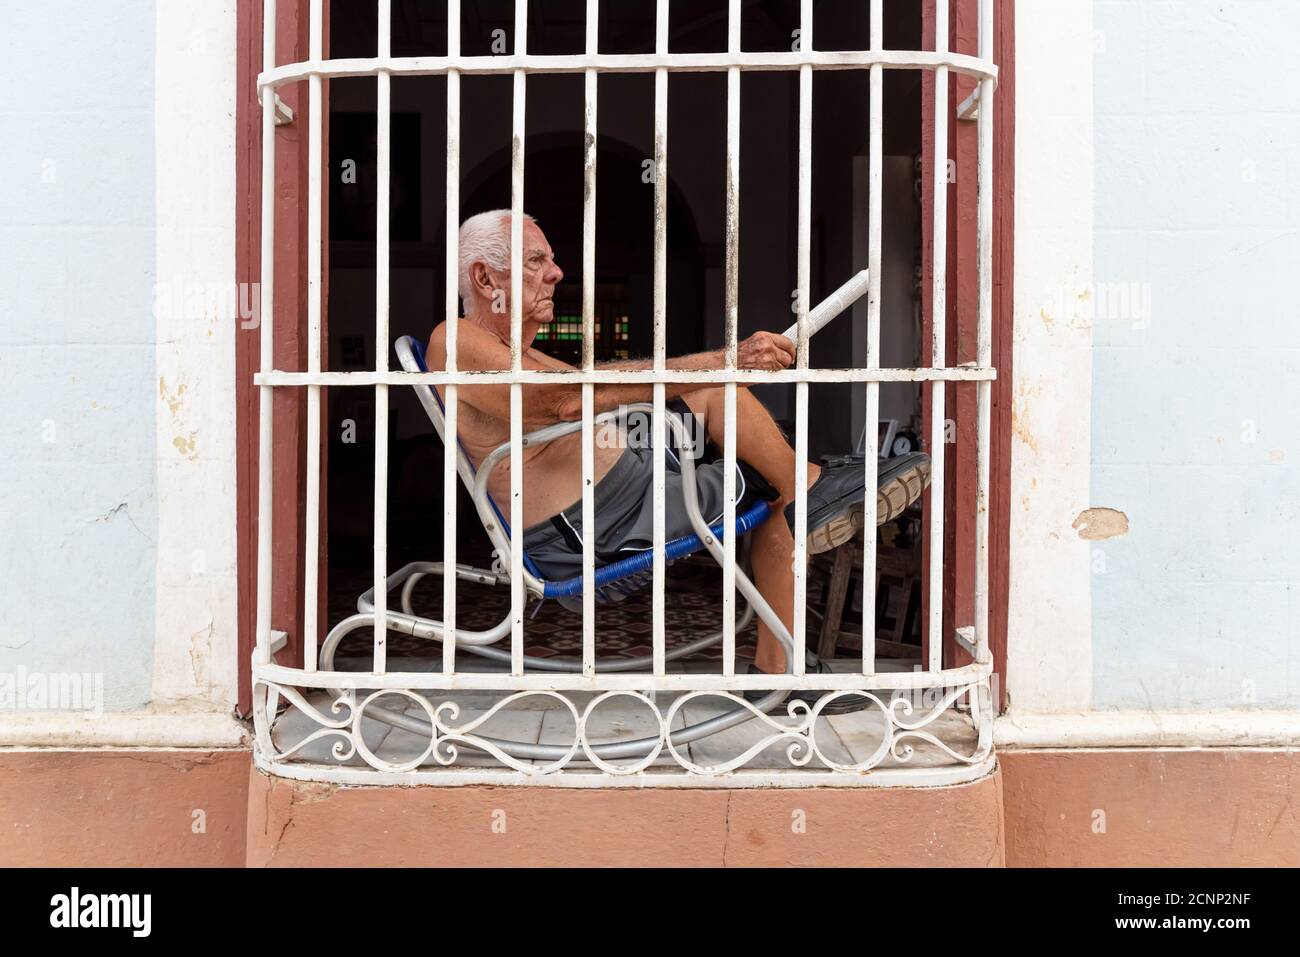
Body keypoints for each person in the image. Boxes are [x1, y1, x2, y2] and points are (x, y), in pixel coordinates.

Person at [427, 210, 929, 710]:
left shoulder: (514, 351)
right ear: (484, 277)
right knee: (779, 489)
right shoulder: (454, 339)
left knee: (722, 401)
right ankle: (783, 654)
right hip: (593, 530)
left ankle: (809, 495)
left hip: (628, 478)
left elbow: (604, 395)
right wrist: (727, 360)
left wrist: (729, 373)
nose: (557, 273)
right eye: (537, 260)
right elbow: (567, 401)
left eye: (552, 260)